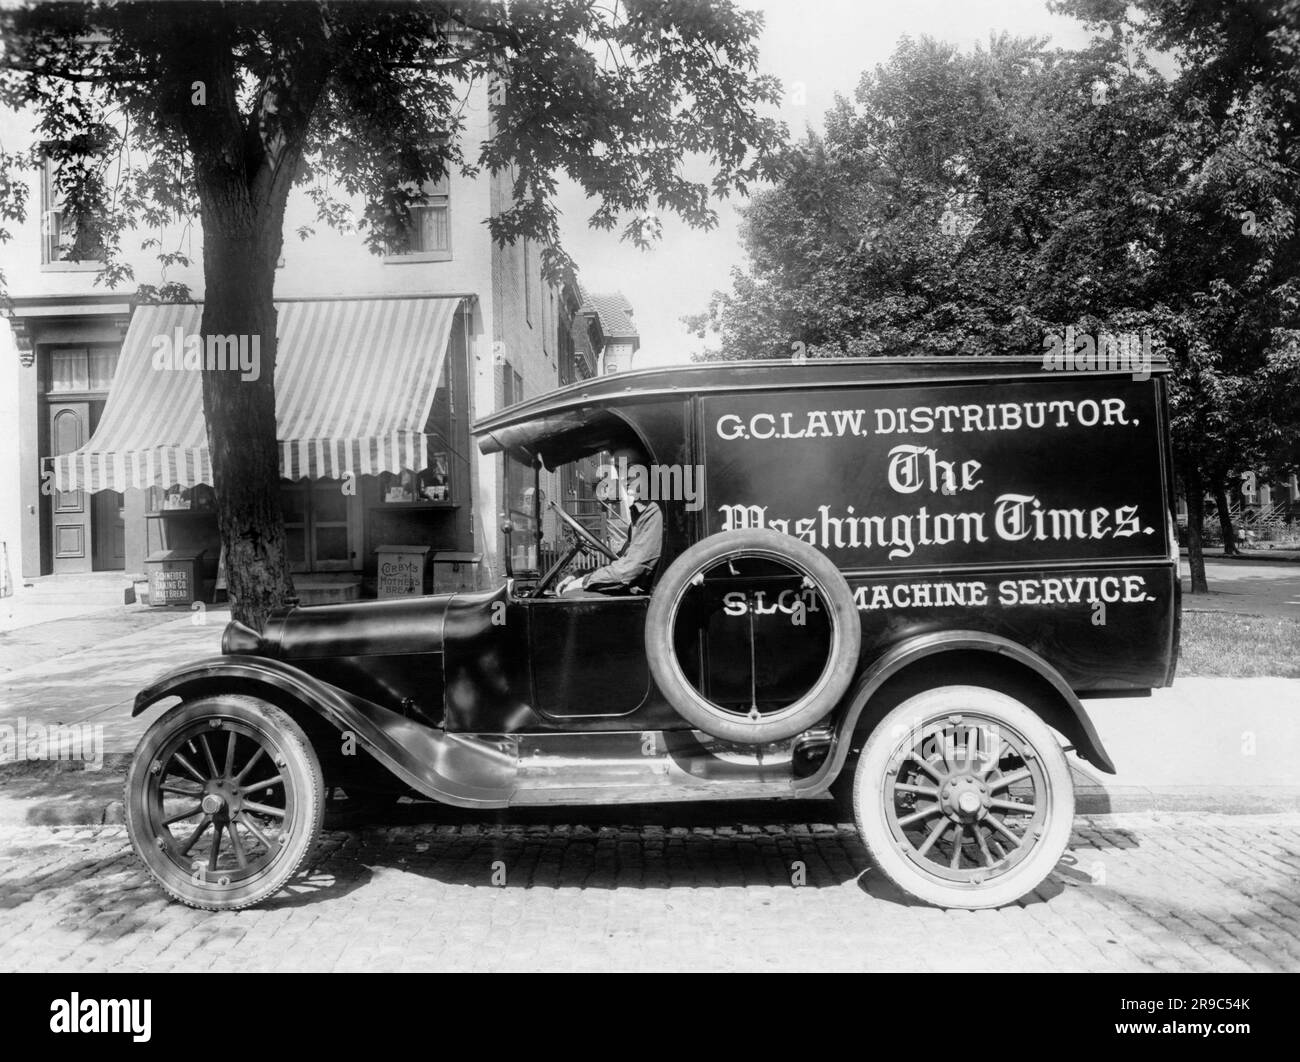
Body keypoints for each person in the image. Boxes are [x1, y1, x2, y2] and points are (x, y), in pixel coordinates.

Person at [557, 455, 663, 595]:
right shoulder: (640, 513)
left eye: (630, 467)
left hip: (647, 595)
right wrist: (579, 576)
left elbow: (630, 570)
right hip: (637, 589)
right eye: (619, 469)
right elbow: (622, 562)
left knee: (572, 596)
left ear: (648, 470)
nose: (624, 476)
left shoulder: (654, 512)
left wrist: (583, 582)